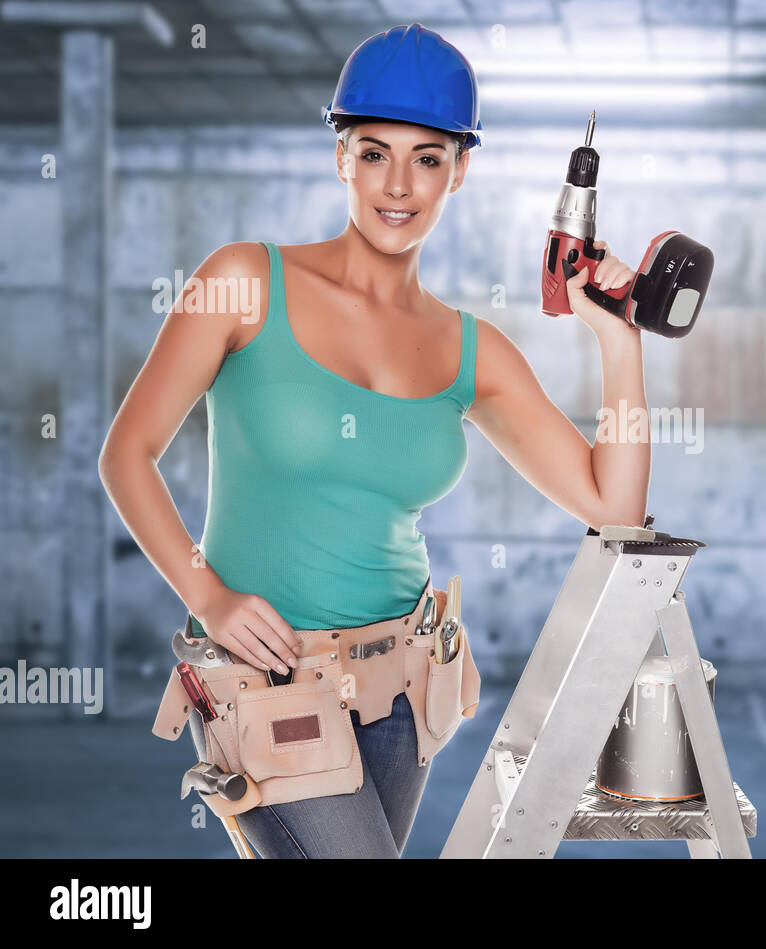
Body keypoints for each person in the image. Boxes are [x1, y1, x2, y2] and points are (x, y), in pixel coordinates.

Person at [97, 24, 650, 858]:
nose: (399, 184)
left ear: (461, 169)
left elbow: (617, 505)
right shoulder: (244, 282)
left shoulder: (472, 351)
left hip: (405, 689)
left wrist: (618, 342)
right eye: (374, 152)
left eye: (428, 157)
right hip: (267, 682)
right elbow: (126, 452)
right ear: (341, 157)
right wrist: (207, 596)